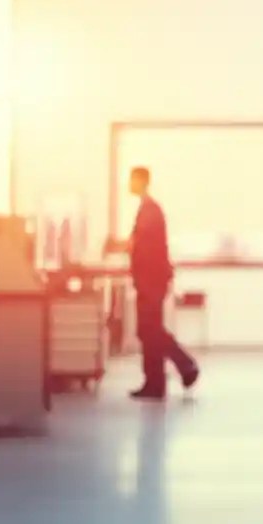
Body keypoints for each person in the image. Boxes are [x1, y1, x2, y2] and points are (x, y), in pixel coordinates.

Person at [108, 167, 199, 401]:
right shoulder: (147, 209)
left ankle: (185, 366)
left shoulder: (150, 210)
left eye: (131, 180)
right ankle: (155, 383)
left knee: (150, 330)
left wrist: (122, 247)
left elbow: (142, 245)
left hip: (151, 280)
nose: (128, 184)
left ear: (140, 181)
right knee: (148, 331)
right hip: (149, 280)